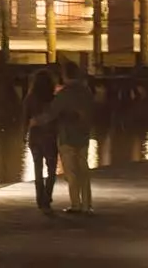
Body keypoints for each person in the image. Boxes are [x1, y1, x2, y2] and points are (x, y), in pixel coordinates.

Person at [44, 61, 94, 213]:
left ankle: (76, 204)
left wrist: (36, 121)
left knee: (71, 173)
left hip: (67, 135)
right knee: (84, 171)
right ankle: (87, 204)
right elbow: (91, 111)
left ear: (65, 76)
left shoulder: (64, 94)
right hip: (83, 135)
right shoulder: (86, 92)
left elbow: (52, 113)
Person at [23, 69, 59, 212]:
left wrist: (23, 135)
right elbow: (57, 117)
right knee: (51, 169)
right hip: (50, 137)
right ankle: (47, 197)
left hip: (35, 137)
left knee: (37, 168)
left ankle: (40, 198)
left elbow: (24, 119)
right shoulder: (53, 99)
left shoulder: (29, 99)